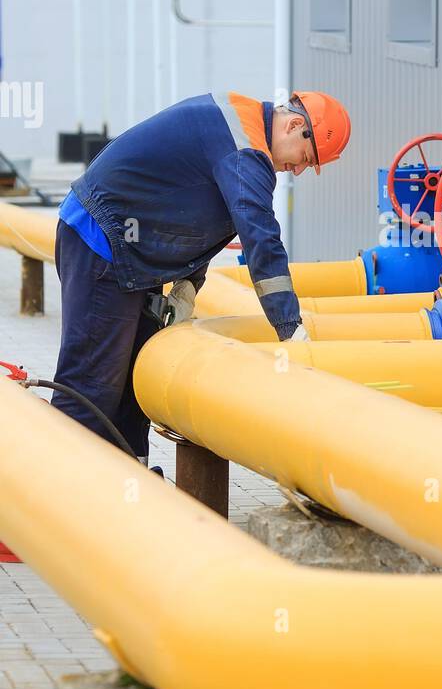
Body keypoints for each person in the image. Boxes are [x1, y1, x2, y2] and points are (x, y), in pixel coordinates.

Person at [50, 89, 351, 465]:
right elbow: (261, 240)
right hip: (101, 241)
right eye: (306, 159)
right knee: (92, 384)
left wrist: (188, 286)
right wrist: (289, 328)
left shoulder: (239, 131)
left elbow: (197, 212)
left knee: (134, 379)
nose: (299, 170)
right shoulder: (244, 150)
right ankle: (58, 491)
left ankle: (128, 485)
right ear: (294, 125)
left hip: (129, 249)